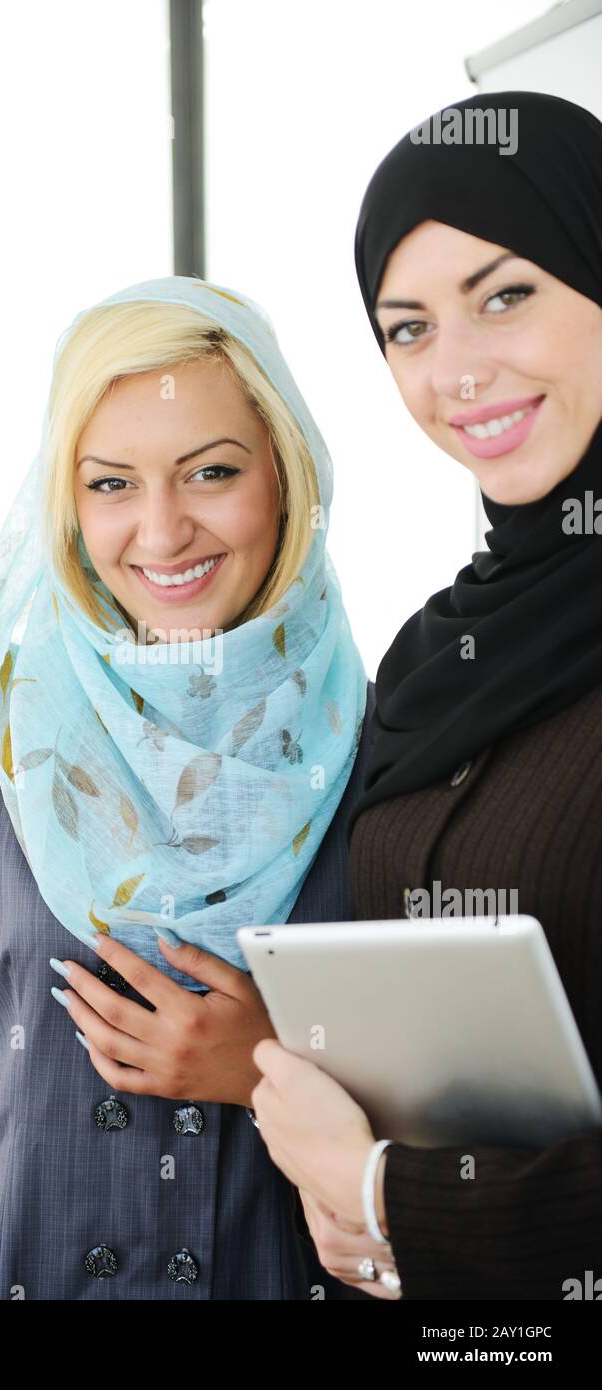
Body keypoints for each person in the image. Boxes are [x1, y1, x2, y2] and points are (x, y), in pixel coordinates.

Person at [0, 274, 372, 1299]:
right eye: (111, 482)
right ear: (64, 505)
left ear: (287, 477)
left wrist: (269, 1058)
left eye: (210, 472)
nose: (161, 535)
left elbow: (436, 1110)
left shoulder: (384, 750)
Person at [250, 89, 602, 1302]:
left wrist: (390, 1196)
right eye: (407, 328)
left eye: (508, 294)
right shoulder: (437, 652)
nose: (456, 370)